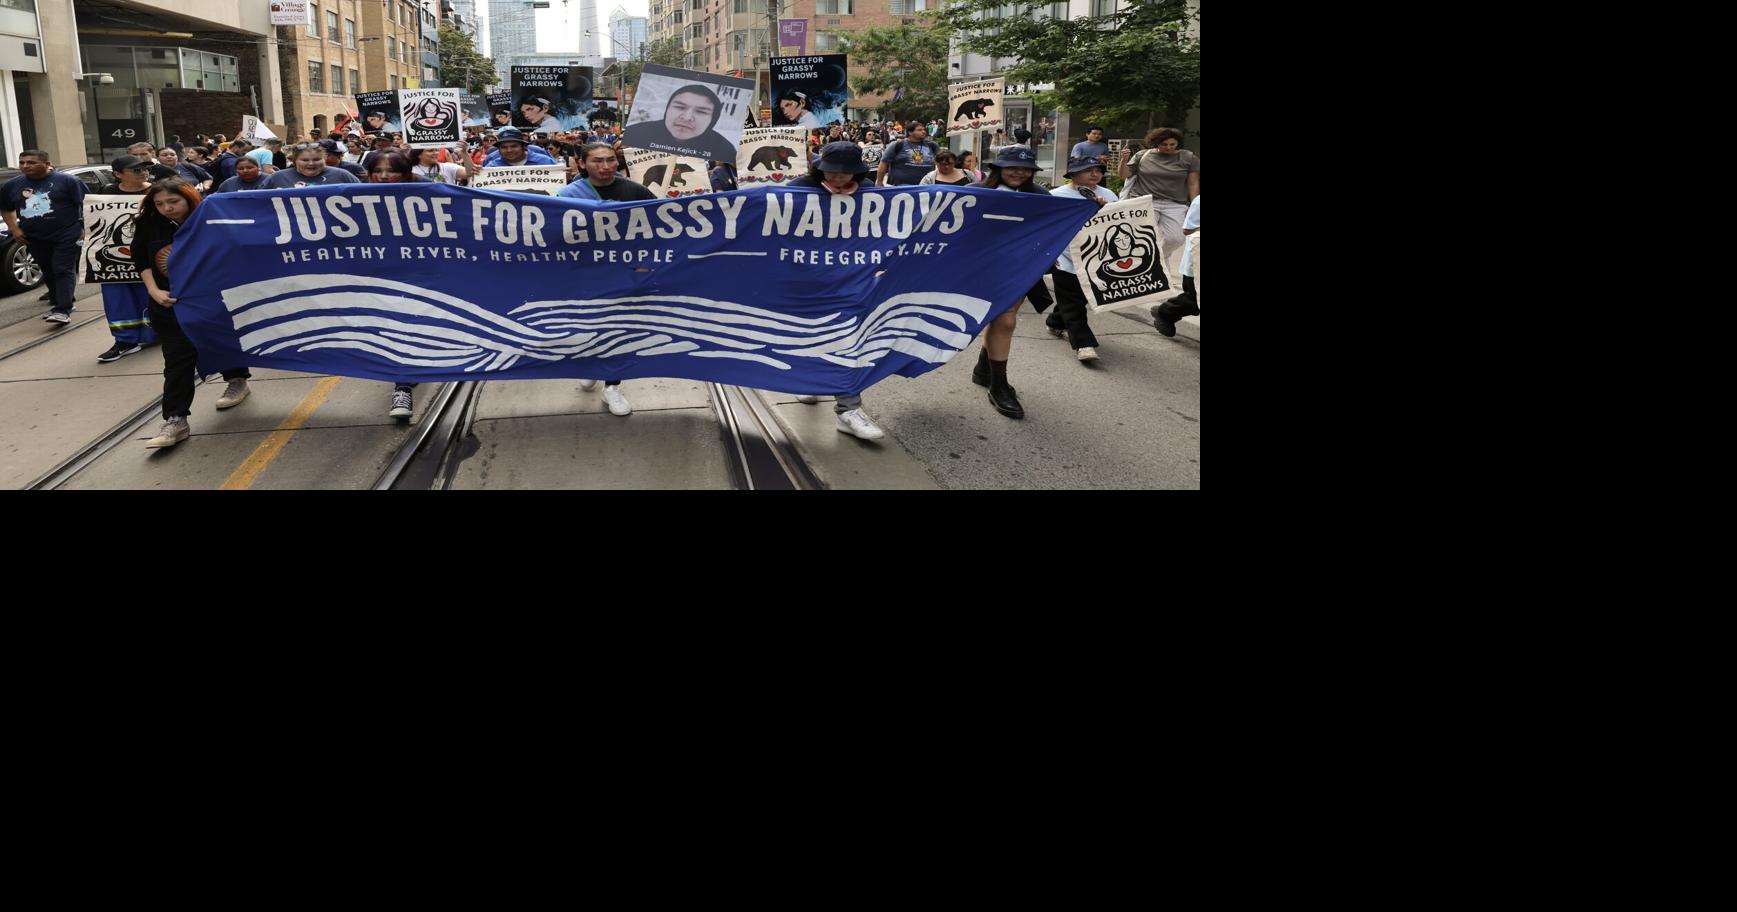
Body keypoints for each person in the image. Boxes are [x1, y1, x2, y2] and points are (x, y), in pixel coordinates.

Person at [778, 142, 887, 441]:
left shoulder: (870, 193)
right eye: (833, 172)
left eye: (846, 172)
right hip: (806, 279)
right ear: (820, 167)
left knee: (847, 339)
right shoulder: (797, 189)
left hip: (851, 280)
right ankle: (811, 381)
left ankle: (848, 409)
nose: (839, 178)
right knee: (809, 332)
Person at [133, 178, 254, 447]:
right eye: (159, 203)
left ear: (189, 197)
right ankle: (175, 420)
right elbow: (140, 258)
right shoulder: (148, 224)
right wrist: (153, 291)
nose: (167, 208)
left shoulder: (209, 218)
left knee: (220, 340)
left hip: (212, 301)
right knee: (177, 359)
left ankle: (237, 379)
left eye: (173, 201)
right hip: (169, 304)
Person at [966, 145, 1055, 420]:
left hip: (1019, 269)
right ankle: (992, 377)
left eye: (1025, 168)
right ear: (998, 168)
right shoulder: (978, 192)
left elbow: (1062, 220)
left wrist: (1092, 204)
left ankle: (995, 381)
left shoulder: (1039, 195)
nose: (1019, 172)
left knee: (1004, 321)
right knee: (1000, 320)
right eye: (1013, 166)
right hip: (981, 268)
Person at [562, 142, 650, 417]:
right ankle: (591, 364)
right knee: (589, 324)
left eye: (611, 160)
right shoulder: (568, 194)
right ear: (582, 164)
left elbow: (660, 223)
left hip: (624, 273)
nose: (605, 166)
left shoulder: (634, 190)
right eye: (597, 161)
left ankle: (612, 385)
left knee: (619, 328)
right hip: (587, 272)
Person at [1, 149, 87, 324]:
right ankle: (61, 301)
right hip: (33, 236)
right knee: (48, 270)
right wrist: (14, 229)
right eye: (22, 162)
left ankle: (63, 309)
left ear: (47, 164)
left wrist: (84, 229)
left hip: (67, 233)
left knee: (62, 269)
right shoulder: (12, 185)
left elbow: (86, 204)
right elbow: (5, 208)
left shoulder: (69, 181)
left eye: (31, 162)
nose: (25, 166)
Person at [1046, 156, 1118, 363]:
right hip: (1065, 256)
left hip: (1096, 257)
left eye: (1098, 170)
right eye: (1088, 170)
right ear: (1074, 173)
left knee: (1079, 297)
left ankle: (1056, 321)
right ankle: (1083, 344)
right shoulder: (1056, 195)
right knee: (1072, 299)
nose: (1095, 174)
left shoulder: (1108, 194)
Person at [93, 155, 158, 363]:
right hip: (116, 259)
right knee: (117, 297)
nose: (144, 173)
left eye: (145, 169)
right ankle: (125, 340)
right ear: (117, 174)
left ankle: (155, 333)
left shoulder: (157, 190)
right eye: (136, 170)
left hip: (151, 255)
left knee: (150, 293)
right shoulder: (107, 192)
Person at [1117, 127, 1199, 280]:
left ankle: (1158, 258)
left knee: (1176, 238)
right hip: (1145, 201)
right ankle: (1157, 278)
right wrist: (1123, 161)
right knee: (1145, 238)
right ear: (1155, 143)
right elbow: (1123, 176)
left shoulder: (1188, 157)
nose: (1168, 147)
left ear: (1178, 143)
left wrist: (1195, 207)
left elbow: (1193, 184)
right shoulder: (1143, 155)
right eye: (1164, 144)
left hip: (1175, 203)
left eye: (1172, 144)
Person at [629, 84, 731, 159]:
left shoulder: (723, 148)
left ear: (713, 119)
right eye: (680, 107)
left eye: (701, 112)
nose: (687, 117)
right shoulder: (636, 134)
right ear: (667, 109)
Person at [1150, 194, 1200, 337]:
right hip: (1196, 264)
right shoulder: (1199, 202)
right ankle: (1165, 313)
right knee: (1194, 300)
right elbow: (1188, 230)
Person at [263, 141, 363, 188]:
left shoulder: (343, 175)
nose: (311, 163)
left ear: (324, 159)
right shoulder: (278, 177)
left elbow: (365, 196)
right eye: (305, 160)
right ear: (294, 161)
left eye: (317, 159)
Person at [876, 121, 939, 186]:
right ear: (910, 132)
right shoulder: (898, 145)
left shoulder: (932, 145)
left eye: (924, 130)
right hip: (902, 187)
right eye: (919, 130)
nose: (923, 132)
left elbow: (941, 163)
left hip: (927, 186)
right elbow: (883, 163)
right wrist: (879, 182)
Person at [481, 127, 557, 166]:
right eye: (504, 147)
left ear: (524, 146)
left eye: (514, 146)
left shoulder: (545, 161)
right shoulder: (492, 166)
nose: (509, 150)